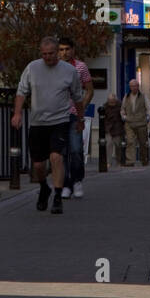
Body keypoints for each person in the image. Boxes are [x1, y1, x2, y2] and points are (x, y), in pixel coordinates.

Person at [13, 36, 83, 214]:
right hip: (37, 122)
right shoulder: (32, 68)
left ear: (57, 52)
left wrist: (80, 119)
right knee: (38, 165)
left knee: (56, 157)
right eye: (44, 54)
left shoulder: (69, 71)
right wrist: (17, 113)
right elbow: (22, 91)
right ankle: (44, 187)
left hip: (59, 121)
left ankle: (58, 197)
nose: (48, 57)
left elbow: (78, 97)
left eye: (51, 53)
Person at [58, 37, 94, 199]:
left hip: (74, 115)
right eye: (61, 49)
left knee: (76, 149)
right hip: (57, 115)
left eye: (67, 49)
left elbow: (89, 90)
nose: (64, 52)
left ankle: (77, 180)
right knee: (62, 152)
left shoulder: (81, 67)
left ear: (72, 50)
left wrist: (81, 107)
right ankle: (66, 184)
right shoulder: (54, 68)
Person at [121, 79, 150, 166]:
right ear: (130, 87)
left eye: (135, 86)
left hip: (141, 123)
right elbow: (122, 108)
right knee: (130, 142)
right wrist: (124, 116)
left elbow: (148, 108)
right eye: (132, 86)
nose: (133, 88)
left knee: (143, 143)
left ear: (138, 87)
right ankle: (130, 161)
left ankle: (144, 159)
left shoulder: (143, 96)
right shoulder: (126, 97)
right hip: (129, 123)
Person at [103, 92, 124, 164]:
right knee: (108, 145)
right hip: (108, 129)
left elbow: (122, 117)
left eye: (113, 102)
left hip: (118, 129)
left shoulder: (120, 106)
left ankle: (119, 161)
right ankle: (108, 162)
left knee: (118, 146)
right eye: (110, 102)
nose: (111, 103)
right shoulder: (104, 107)